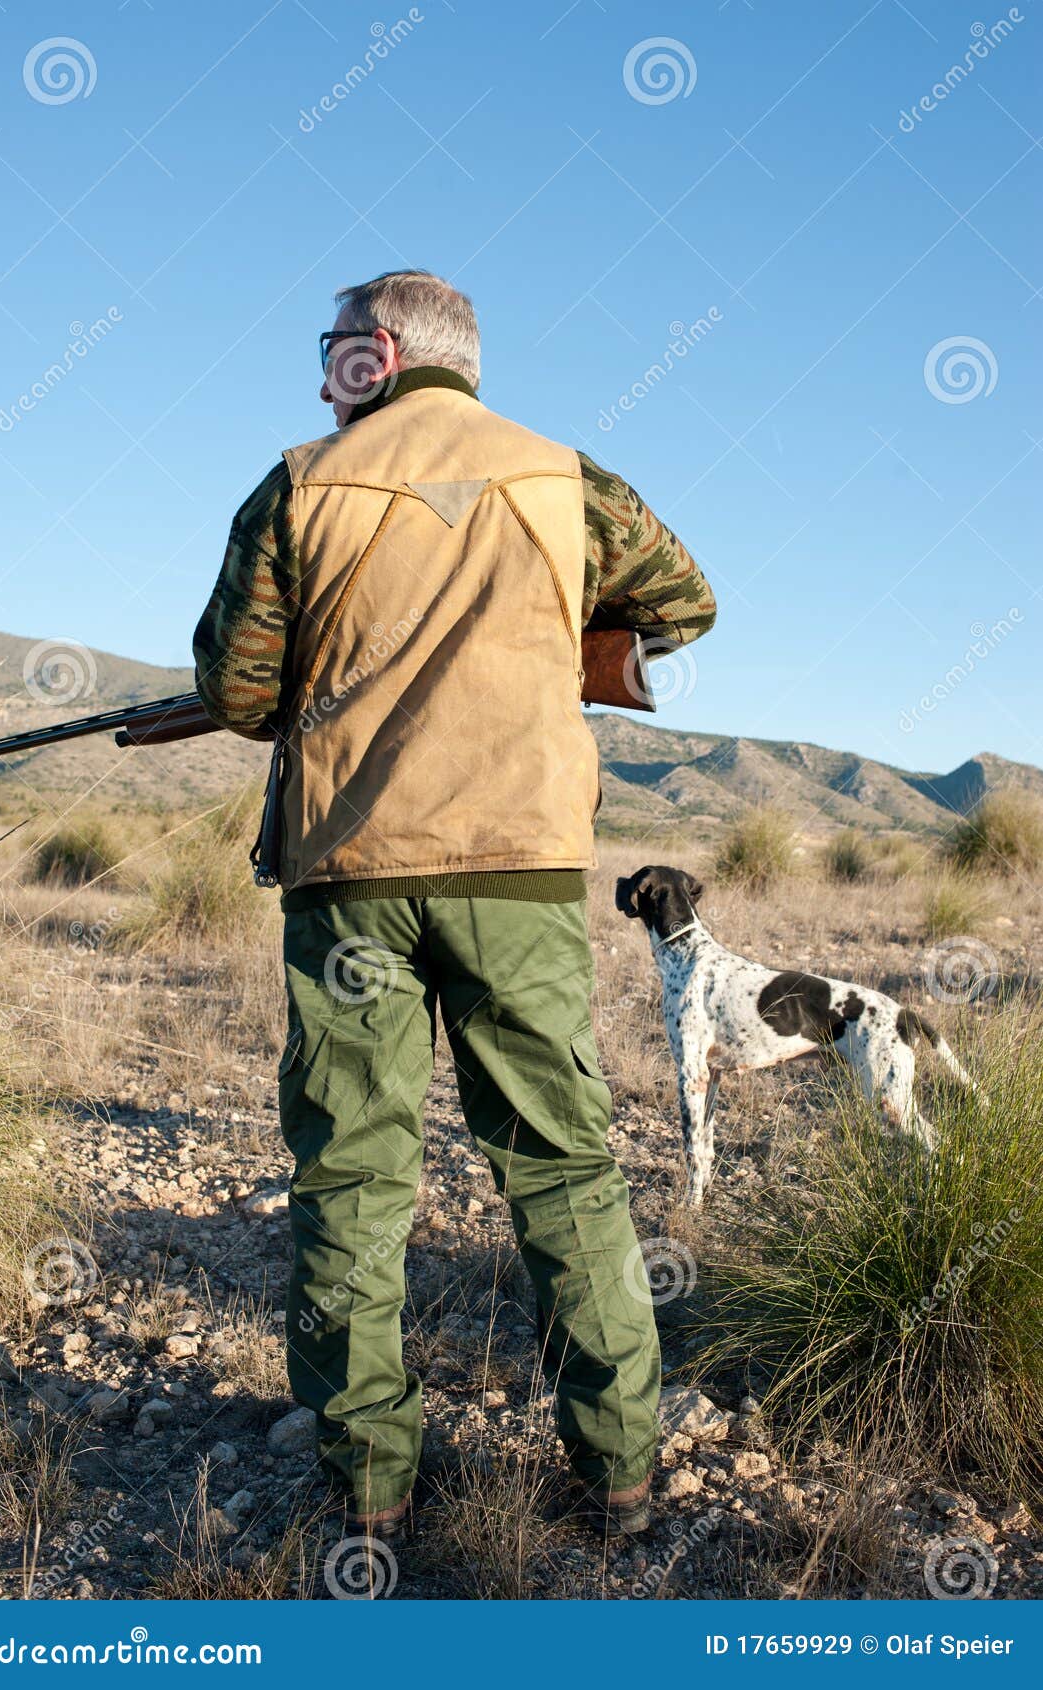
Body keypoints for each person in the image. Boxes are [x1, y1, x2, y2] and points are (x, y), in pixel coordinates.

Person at [193, 269, 716, 1545]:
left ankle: (369, 1487)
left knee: (353, 1178)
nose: (321, 377)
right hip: (520, 873)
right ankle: (619, 1477)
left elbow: (240, 685)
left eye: (330, 350)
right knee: (564, 1169)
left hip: (352, 881)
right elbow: (686, 604)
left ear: (381, 352)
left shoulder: (301, 481)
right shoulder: (566, 477)